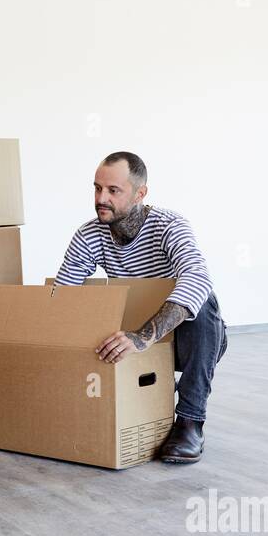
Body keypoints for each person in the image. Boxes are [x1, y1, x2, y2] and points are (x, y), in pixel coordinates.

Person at [54, 151, 228, 465]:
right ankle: (146, 397)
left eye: (113, 191)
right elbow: (63, 297)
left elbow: (198, 277)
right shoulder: (89, 234)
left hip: (184, 340)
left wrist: (142, 337)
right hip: (131, 338)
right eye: (97, 188)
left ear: (140, 193)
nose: (101, 199)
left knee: (204, 305)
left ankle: (190, 421)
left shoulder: (169, 224)